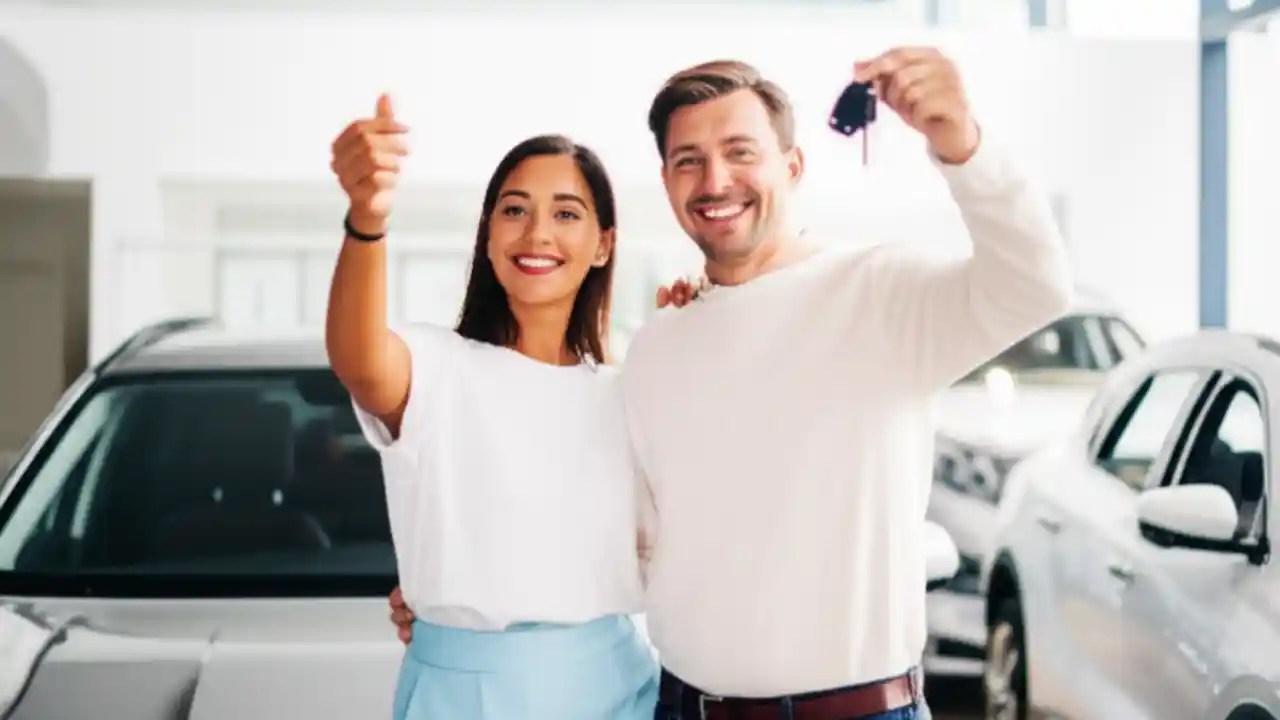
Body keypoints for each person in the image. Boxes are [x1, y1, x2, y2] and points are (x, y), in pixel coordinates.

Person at [390, 47, 1073, 720]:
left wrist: (961, 142)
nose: (715, 180)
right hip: (681, 708)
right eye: (689, 160)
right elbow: (628, 534)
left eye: (741, 152)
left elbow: (1035, 287)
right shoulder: (658, 347)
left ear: (793, 166)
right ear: (667, 185)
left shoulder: (877, 296)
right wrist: (460, 583)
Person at [326, 94, 659, 719]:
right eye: (515, 210)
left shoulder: (628, 393)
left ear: (603, 244)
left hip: (623, 689)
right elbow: (359, 358)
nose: (537, 234)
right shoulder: (436, 365)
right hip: (466, 696)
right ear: (487, 234)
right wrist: (366, 219)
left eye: (566, 213)